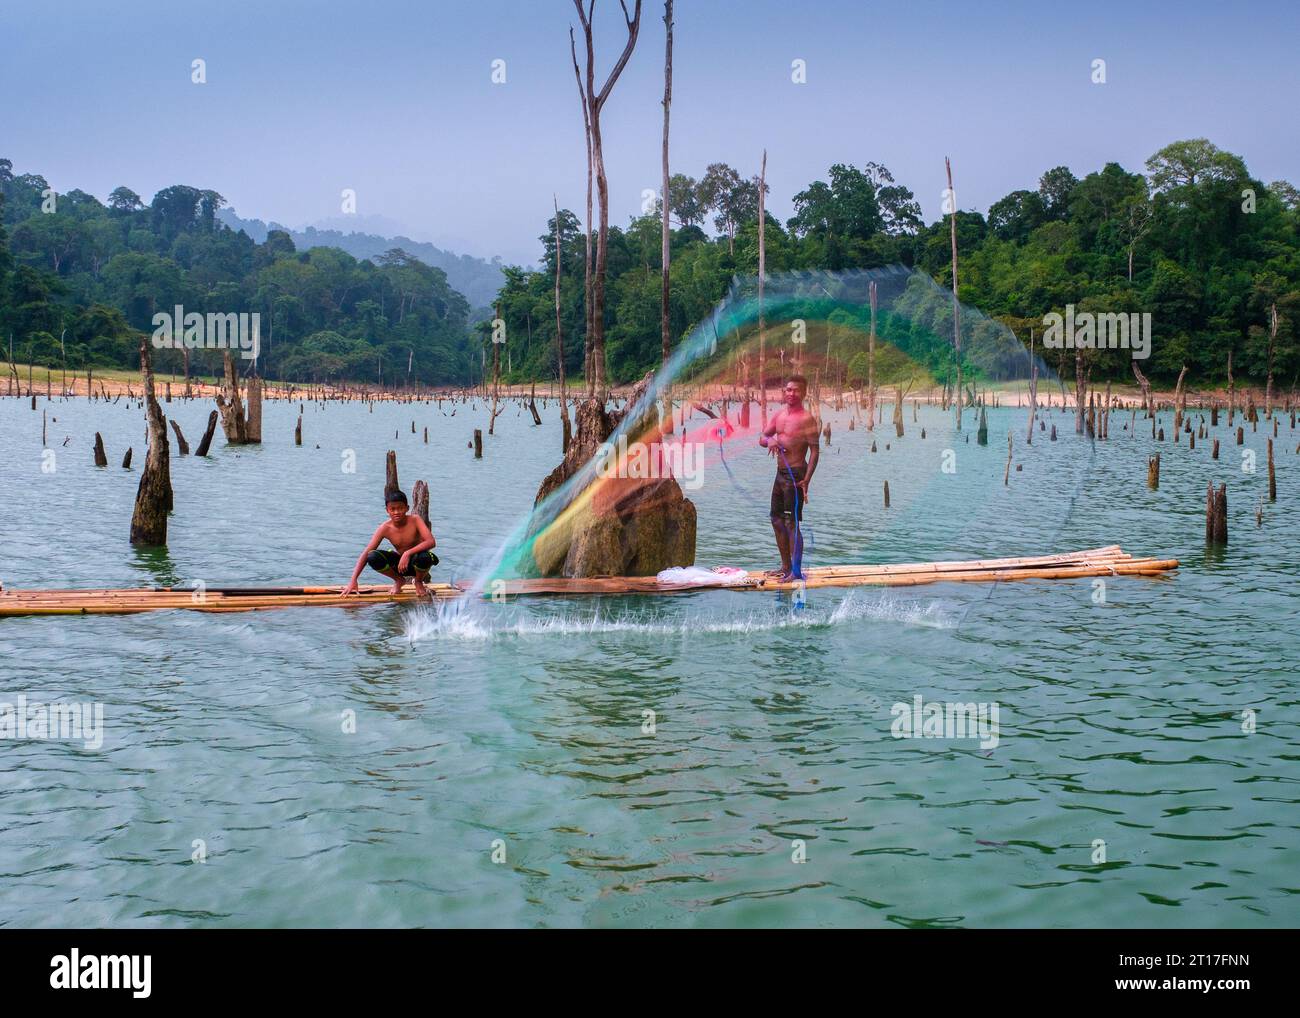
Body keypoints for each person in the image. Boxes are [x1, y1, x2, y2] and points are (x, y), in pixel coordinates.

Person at [759, 375, 819, 581]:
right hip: (779, 475)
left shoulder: (807, 419)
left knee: (792, 523)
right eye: (788, 390)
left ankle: (795, 570)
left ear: (804, 393)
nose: (791, 393)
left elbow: (815, 451)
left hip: (796, 476)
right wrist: (771, 442)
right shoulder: (778, 416)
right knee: (776, 520)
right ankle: (785, 566)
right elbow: (762, 437)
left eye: (795, 390)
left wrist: (807, 480)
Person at [341, 489, 439, 597]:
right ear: (387, 510)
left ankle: (418, 582)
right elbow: (366, 553)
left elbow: (431, 542)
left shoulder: (415, 520)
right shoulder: (385, 528)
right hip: (400, 566)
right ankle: (398, 580)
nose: (396, 512)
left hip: (418, 563)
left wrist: (407, 553)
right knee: (372, 556)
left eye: (400, 508)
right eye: (393, 509)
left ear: (407, 508)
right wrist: (353, 580)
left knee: (425, 557)